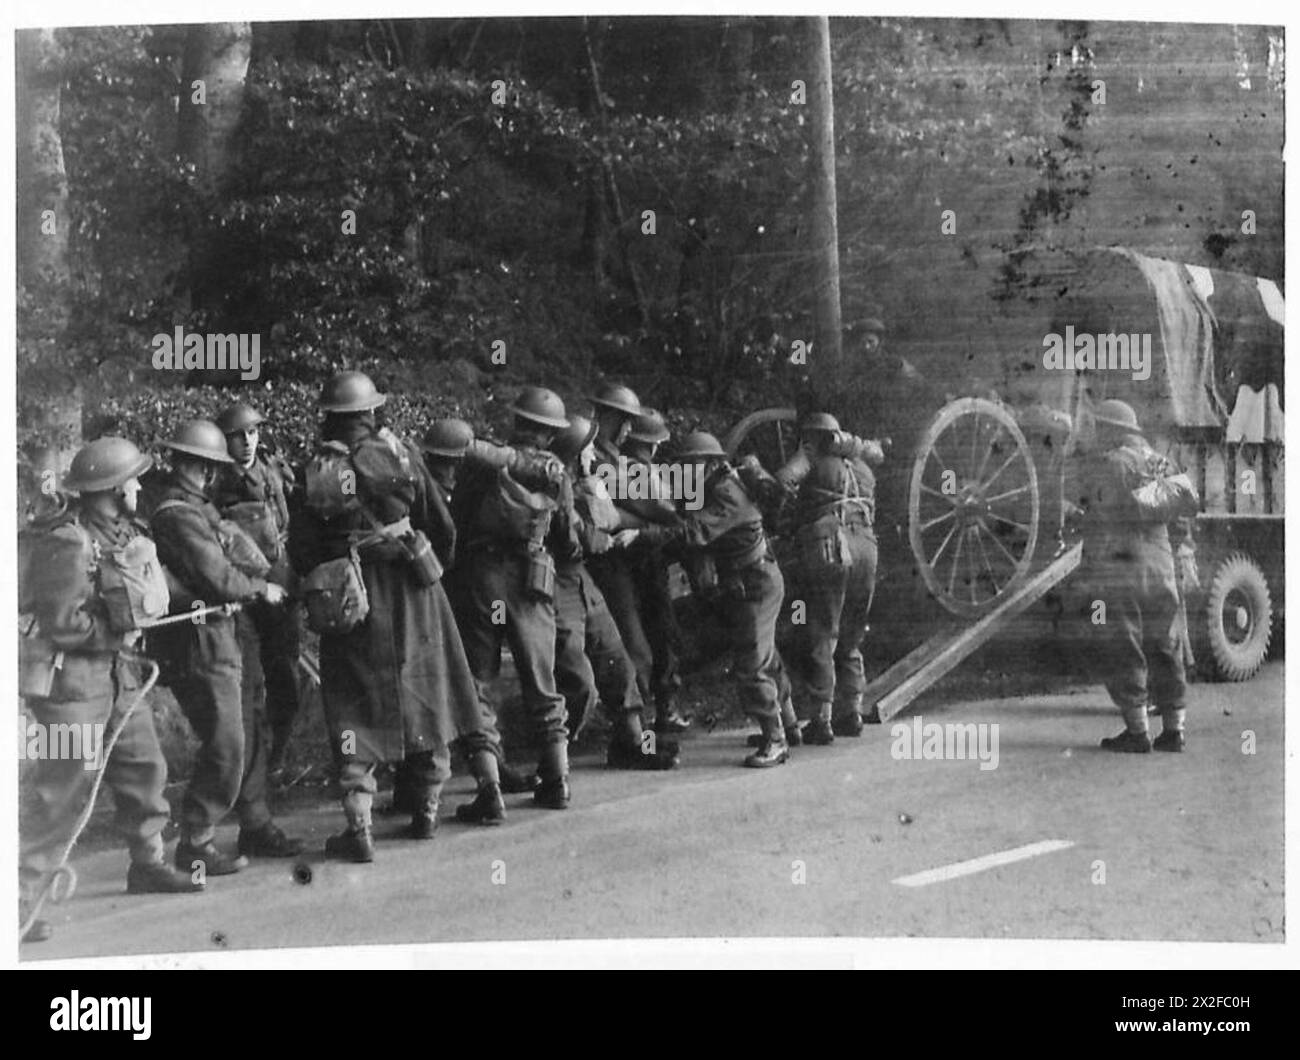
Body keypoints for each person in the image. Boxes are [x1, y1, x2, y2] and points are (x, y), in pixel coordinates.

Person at [290, 372, 508, 858]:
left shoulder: (317, 468)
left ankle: (359, 825)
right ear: (372, 413)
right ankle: (427, 811)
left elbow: (302, 547)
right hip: (414, 590)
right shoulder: (403, 453)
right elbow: (442, 526)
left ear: (330, 416)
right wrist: (429, 564)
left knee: (353, 705)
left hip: (352, 598)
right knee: (430, 693)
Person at [19, 438, 204, 943]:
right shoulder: (70, 541)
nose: (139, 486)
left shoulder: (119, 532)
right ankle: (20, 899)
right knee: (62, 789)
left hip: (117, 675)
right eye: (133, 480)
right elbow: (63, 622)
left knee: (144, 765)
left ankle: (148, 861)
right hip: (72, 684)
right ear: (111, 488)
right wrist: (114, 630)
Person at [150, 420, 304, 875]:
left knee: (250, 722)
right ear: (199, 466)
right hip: (198, 637)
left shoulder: (198, 507)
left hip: (226, 631)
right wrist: (261, 589)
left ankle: (254, 821)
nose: (210, 473)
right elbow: (215, 576)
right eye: (208, 465)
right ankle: (196, 837)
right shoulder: (178, 513)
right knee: (226, 736)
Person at [621, 432, 792, 768]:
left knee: (751, 663)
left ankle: (777, 739)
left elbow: (691, 533)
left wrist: (640, 534)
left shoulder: (727, 494)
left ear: (708, 463)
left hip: (757, 581)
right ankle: (787, 722)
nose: (685, 472)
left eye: (690, 465)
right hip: (750, 581)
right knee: (765, 655)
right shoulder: (717, 485)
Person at [450, 386, 577, 809]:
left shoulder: (486, 464)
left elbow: (459, 521)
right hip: (532, 582)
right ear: (550, 433)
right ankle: (557, 781)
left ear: (518, 423)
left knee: (480, 684)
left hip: (484, 579)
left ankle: (489, 790)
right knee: (542, 683)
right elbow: (571, 539)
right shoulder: (557, 472)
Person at [550, 413, 679, 769]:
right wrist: (608, 537)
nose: (594, 454)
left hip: (580, 580)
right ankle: (553, 757)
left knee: (616, 656)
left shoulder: (580, 481)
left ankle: (634, 742)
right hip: (555, 583)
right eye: (588, 448)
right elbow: (588, 532)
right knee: (577, 674)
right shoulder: (562, 487)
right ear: (576, 453)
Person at [1077, 399, 1197, 752]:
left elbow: (1098, 517)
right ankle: (1174, 731)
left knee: (1124, 643)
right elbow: (1182, 514)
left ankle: (1137, 732)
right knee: (1165, 642)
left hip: (1122, 563)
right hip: (1160, 564)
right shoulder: (1162, 461)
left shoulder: (1110, 465)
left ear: (1113, 431)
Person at [585, 383, 691, 734]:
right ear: (608, 417)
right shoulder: (593, 460)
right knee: (633, 646)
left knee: (661, 636)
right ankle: (633, 729)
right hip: (611, 563)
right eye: (625, 421)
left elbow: (658, 510)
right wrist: (645, 517)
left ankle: (653, 716)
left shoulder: (618, 459)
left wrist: (631, 519)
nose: (630, 430)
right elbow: (653, 509)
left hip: (641, 559)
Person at [212, 402, 302, 774]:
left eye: (252, 433)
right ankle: (251, 765)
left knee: (286, 678)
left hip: (281, 583)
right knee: (248, 682)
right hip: (243, 591)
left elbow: (291, 520)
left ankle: (277, 755)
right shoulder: (215, 481)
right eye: (238, 436)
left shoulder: (273, 469)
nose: (247, 442)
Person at [784, 413, 881, 742]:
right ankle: (851, 712)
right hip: (867, 547)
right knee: (853, 634)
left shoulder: (813, 461)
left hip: (831, 546)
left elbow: (782, 482)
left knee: (823, 631)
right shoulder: (863, 468)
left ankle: (821, 720)